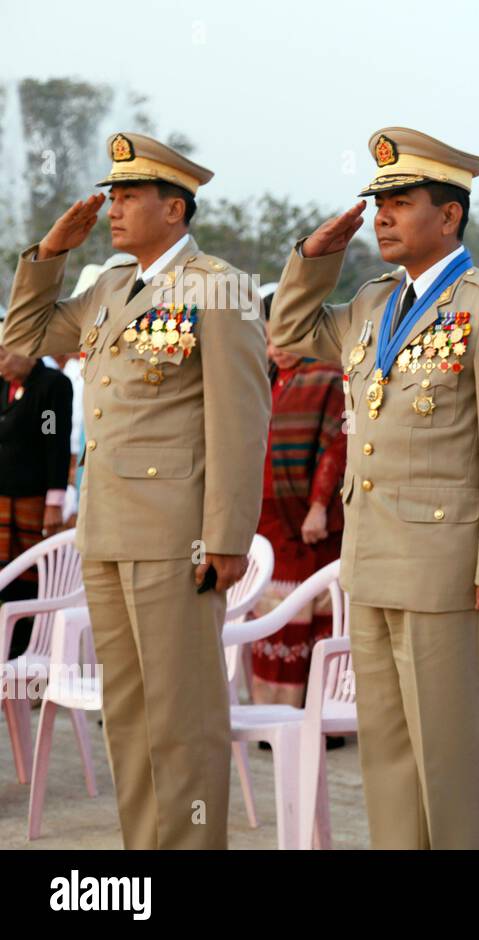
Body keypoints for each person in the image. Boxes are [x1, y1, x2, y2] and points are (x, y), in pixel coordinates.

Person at [270, 127, 479, 849]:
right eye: (377, 202)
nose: (383, 215)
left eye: (399, 201)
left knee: (450, 763)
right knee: (387, 759)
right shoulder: (370, 302)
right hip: (372, 560)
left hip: (445, 565)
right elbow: (290, 328)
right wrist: (315, 256)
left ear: (449, 215)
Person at [4, 132, 270, 849]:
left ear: (175, 210)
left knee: (182, 718)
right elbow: (17, 348)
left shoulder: (220, 286)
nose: (113, 209)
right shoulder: (110, 287)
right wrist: (49, 255)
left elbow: (242, 421)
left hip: (178, 536)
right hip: (108, 530)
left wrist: (226, 538)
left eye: (128, 196)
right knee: (127, 712)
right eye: (112, 195)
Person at [250, 294, 347, 712]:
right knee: (272, 617)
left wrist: (319, 505)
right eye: (270, 339)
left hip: (311, 522)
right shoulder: (265, 376)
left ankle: (316, 716)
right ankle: (273, 714)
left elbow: (337, 444)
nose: (276, 349)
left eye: (284, 339)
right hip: (269, 520)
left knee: (314, 620)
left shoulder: (327, 375)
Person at [0, 339, 73, 657]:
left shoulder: (52, 385)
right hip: (3, 501)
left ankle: (30, 656)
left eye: (3, 354)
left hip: (34, 501)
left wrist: (53, 503)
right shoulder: (4, 385)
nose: (0, 362)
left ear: (26, 351)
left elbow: (55, 442)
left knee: (31, 581)